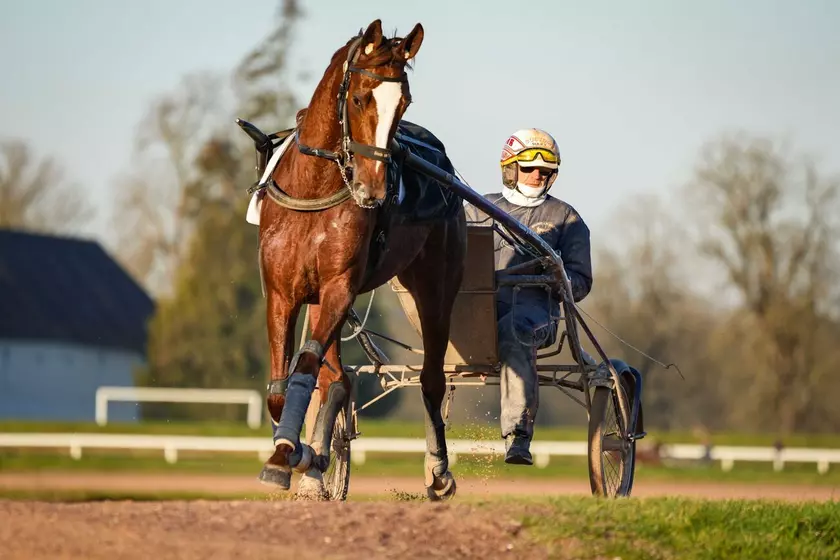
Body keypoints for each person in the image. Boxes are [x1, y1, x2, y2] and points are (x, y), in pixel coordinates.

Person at [464, 128, 593, 465]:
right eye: (530, 168)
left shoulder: (566, 218)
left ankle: (518, 433)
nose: (539, 175)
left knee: (513, 328)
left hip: (535, 314)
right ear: (511, 169)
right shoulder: (478, 208)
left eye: (546, 171)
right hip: (476, 312)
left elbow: (580, 281)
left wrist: (558, 278)